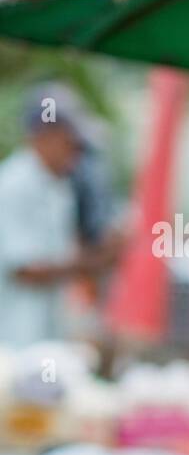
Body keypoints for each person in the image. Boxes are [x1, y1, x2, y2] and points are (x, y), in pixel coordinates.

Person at [0, 86, 112, 348]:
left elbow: (63, 254)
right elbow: (25, 270)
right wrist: (89, 263)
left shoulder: (58, 186)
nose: (76, 155)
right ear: (45, 136)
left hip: (46, 339)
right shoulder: (13, 185)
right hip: (12, 342)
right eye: (70, 144)